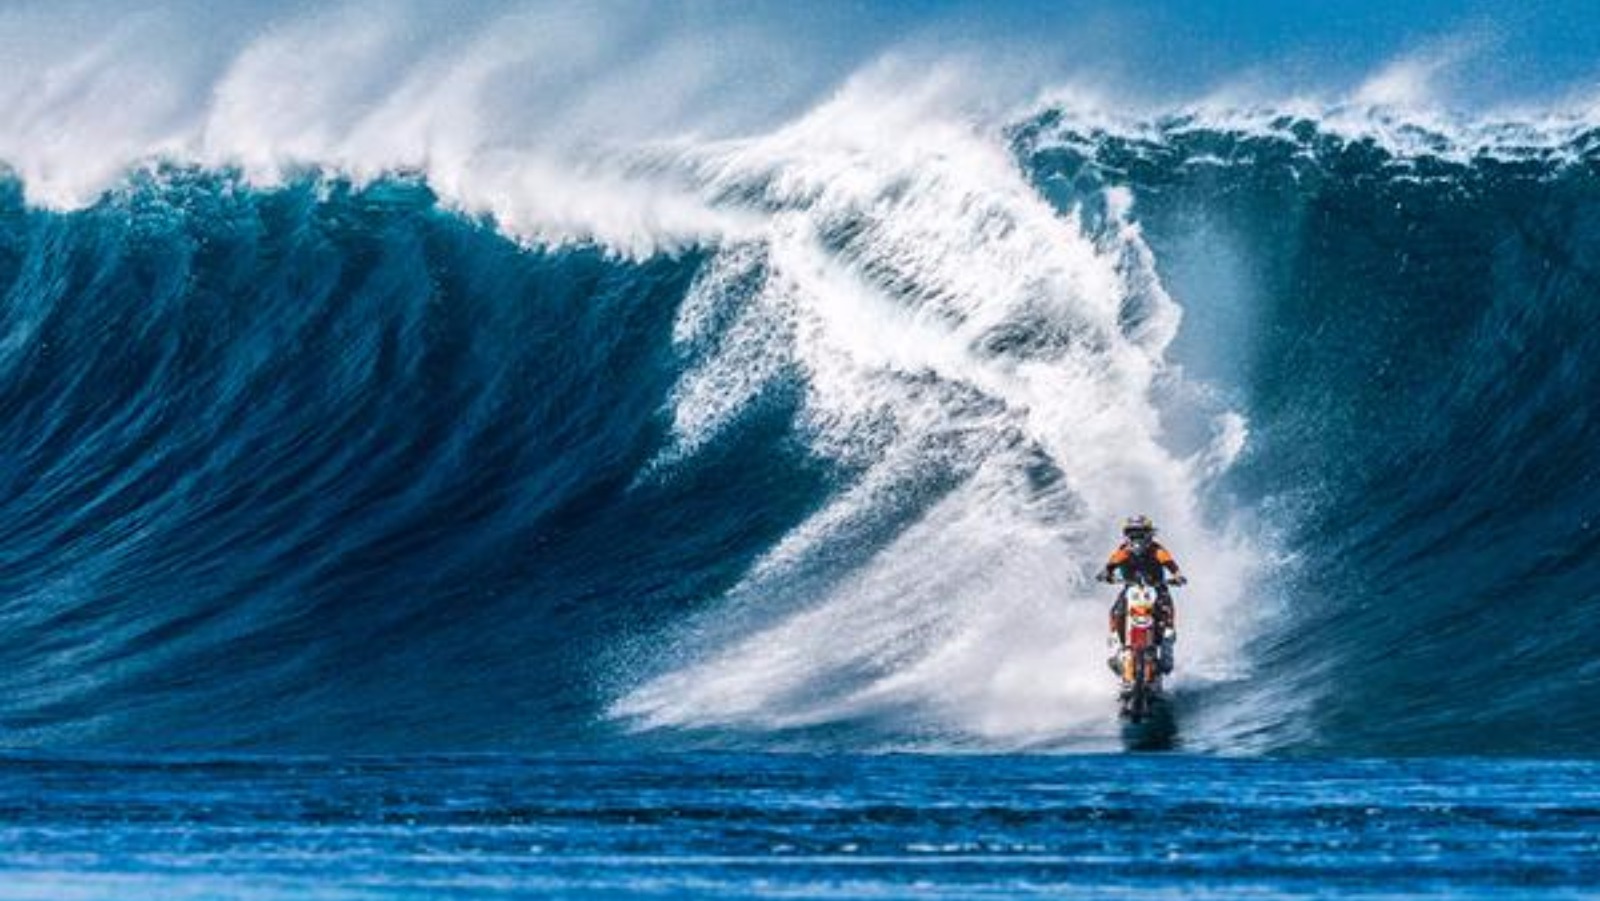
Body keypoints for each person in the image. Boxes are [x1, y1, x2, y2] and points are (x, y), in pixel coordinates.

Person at [1096, 514, 1185, 674]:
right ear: (1127, 535)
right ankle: (1116, 653)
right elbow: (1110, 565)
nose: (1137, 539)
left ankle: (1166, 655)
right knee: (1115, 613)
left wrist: (1177, 576)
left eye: (1141, 534)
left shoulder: (1157, 550)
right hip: (1132, 590)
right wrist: (1106, 574)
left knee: (1168, 615)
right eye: (1133, 534)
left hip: (1158, 589)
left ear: (1149, 534)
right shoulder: (1123, 551)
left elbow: (1171, 565)